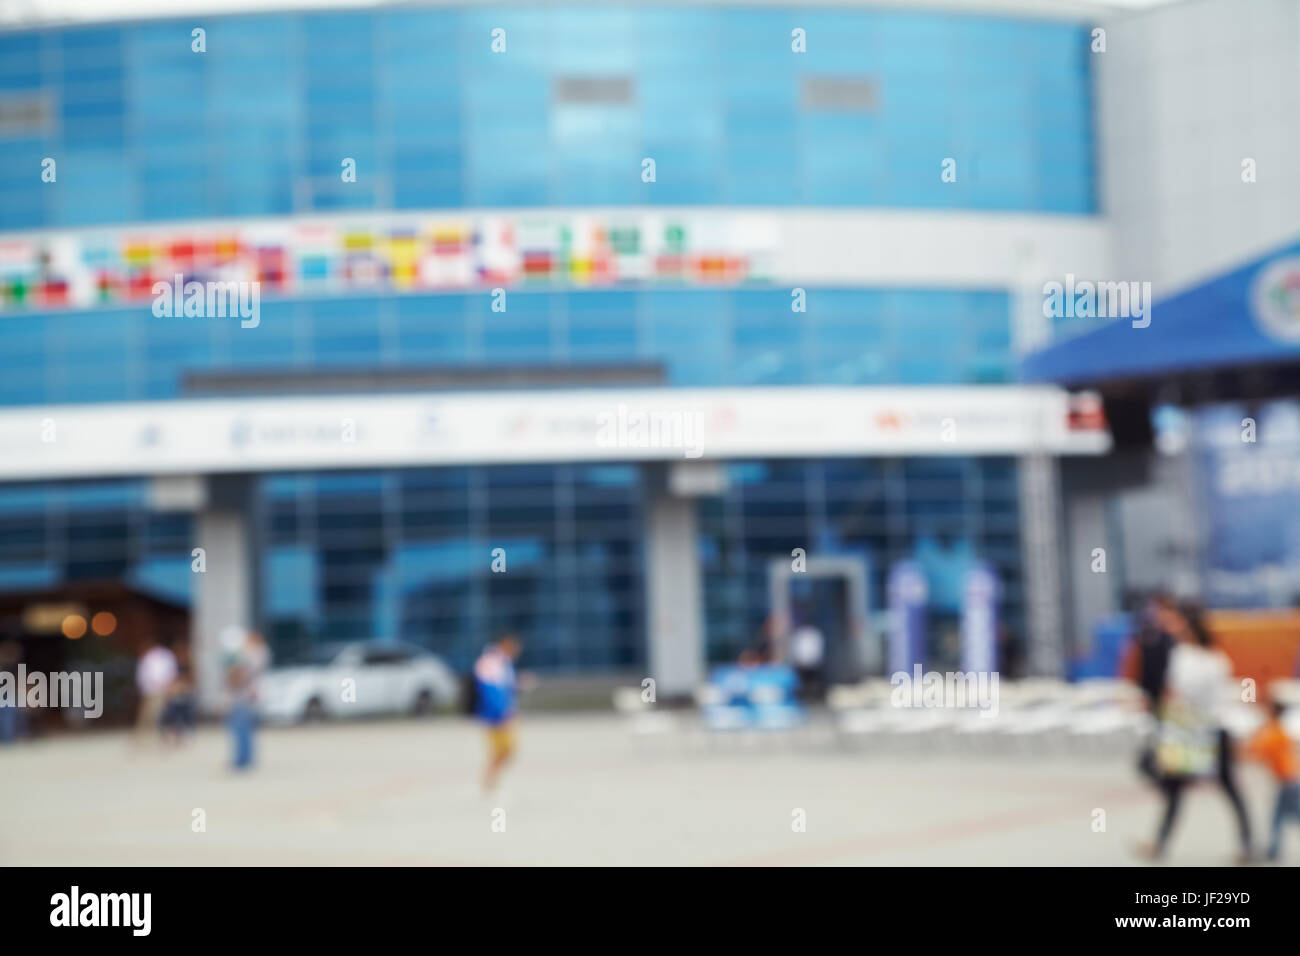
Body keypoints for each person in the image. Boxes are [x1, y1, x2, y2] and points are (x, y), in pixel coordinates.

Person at [1138, 602, 1253, 862]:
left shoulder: (1196, 658)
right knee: (1182, 789)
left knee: (1223, 786)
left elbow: (1179, 693)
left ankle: (1246, 844)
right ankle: (1160, 843)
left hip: (1201, 729)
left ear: (1189, 626)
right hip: (1199, 728)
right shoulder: (1204, 657)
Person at [1244, 700, 1299, 862]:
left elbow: (1257, 750)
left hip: (1287, 781)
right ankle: (1273, 850)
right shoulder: (1279, 730)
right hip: (1289, 780)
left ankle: (1273, 850)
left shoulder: (1274, 732)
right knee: (1280, 817)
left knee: (1284, 817)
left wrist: (1256, 731)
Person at [474, 634, 522, 793]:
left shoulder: (501, 662)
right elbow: (491, 691)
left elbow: (506, 689)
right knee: (505, 750)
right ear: (505, 644)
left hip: (500, 713)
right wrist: (501, 712)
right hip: (495, 714)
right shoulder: (492, 662)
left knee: (505, 750)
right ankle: (489, 779)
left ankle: (490, 778)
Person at [224, 630, 269, 771]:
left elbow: (240, 677)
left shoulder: (251, 656)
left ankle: (241, 760)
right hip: (248, 696)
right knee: (246, 729)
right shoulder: (259, 654)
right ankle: (245, 759)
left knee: (241, 729)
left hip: (244, 697)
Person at [134, 637, 178, 746]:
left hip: (160, 689)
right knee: (149, 715)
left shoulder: (159, 657)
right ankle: (142, 738)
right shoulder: (150, 657)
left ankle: (165, 737)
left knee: (161, 715)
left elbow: (167, 672)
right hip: (152, 690)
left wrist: (166, 685)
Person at [789, 622, 826, 702]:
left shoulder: (815, 634)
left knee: (814, 682)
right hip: (802, 664)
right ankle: (804, 697)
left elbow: (817, 649)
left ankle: (815, 697)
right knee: (802, 682)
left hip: (813, 664)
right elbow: (796, 649)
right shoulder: (799, 634)